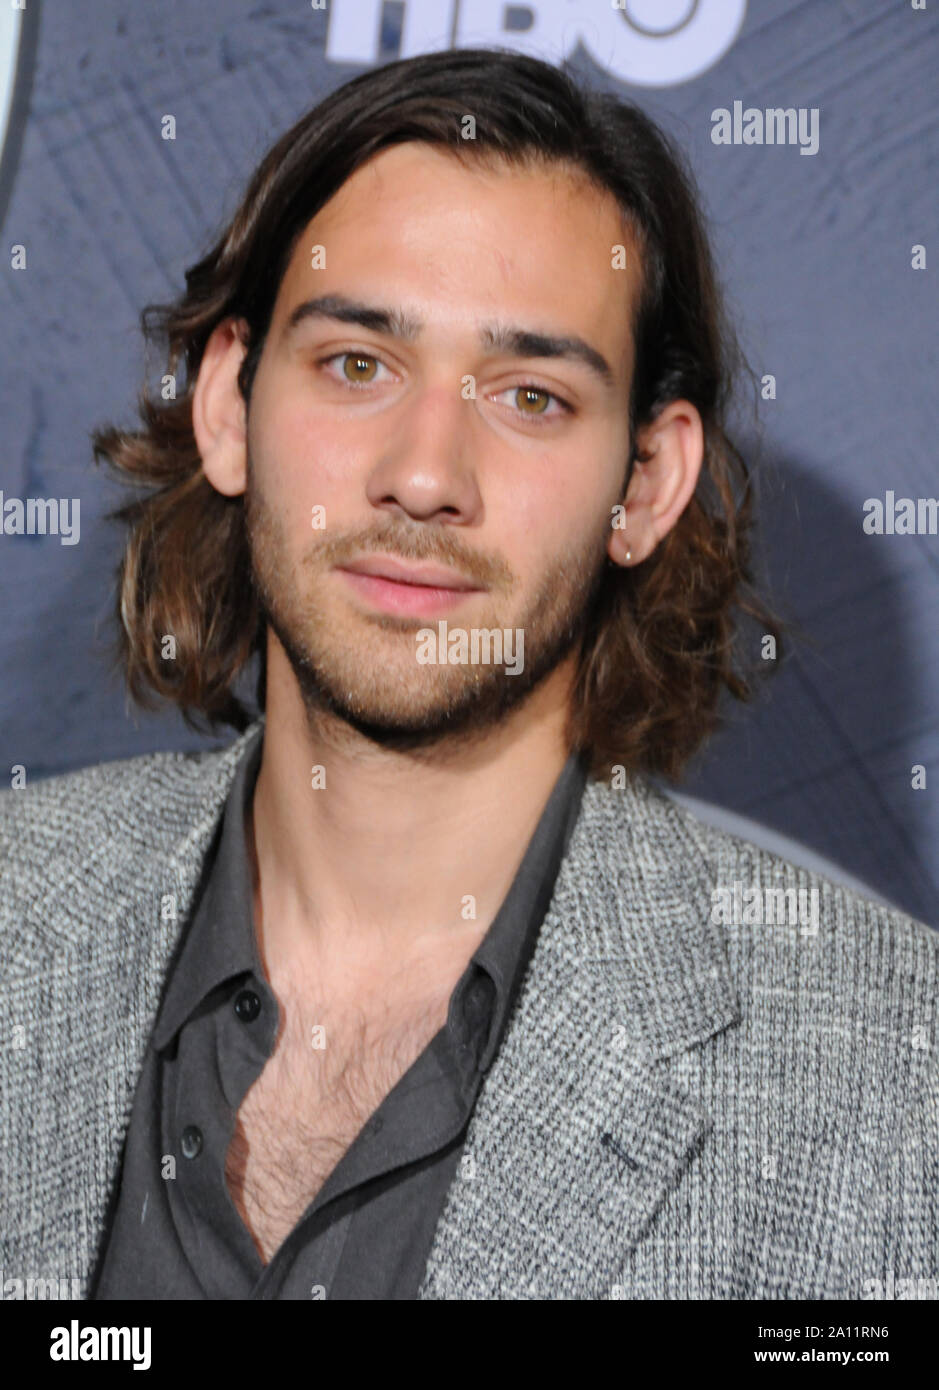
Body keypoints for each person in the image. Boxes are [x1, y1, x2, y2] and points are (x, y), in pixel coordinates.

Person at [1, 48, 935, 1302]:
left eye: (532, 396)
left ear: (647, 483)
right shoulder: (18, 911)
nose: (426, 470)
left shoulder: (889, 1072)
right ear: (227, 403)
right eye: (356, 364)